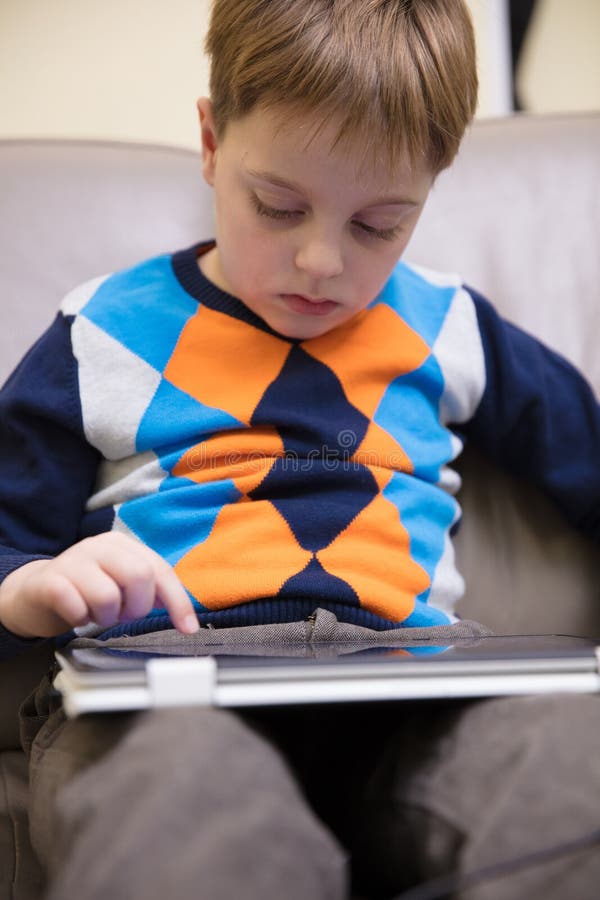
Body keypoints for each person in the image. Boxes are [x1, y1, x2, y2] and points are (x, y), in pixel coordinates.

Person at [1, 1, 599, 898]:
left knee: (564, 776)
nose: (321, 261)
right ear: (211, 143)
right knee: (181, 814)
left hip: (419, 690)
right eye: (278, 206)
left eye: (377, 225)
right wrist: (32, 586)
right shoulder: (104, 332)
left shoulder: (449, 325)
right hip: (167, 691)